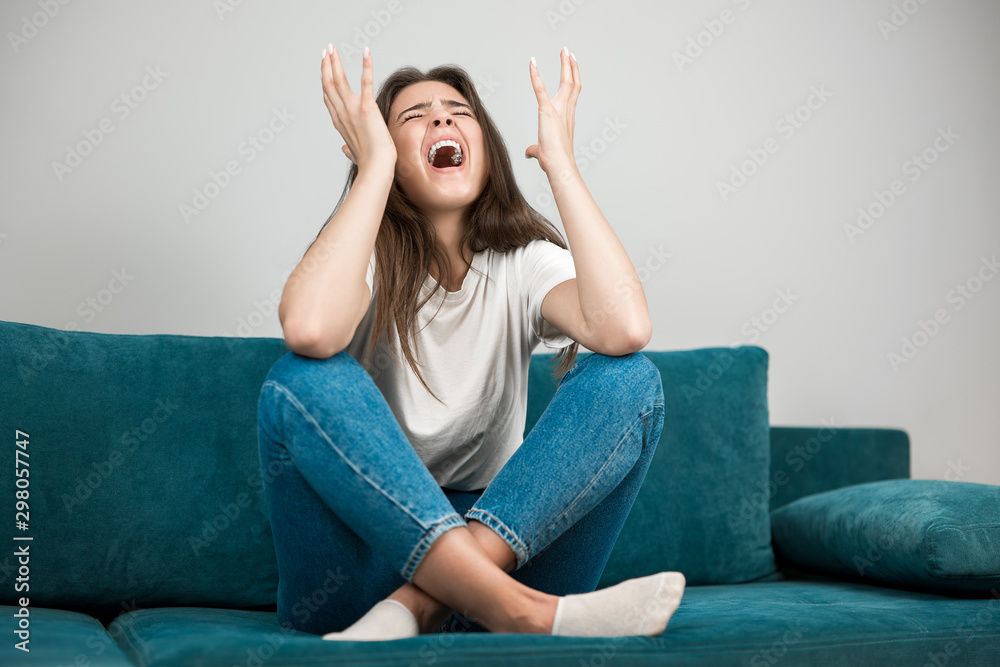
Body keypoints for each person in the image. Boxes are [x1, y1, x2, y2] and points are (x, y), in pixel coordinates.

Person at [255, 43, 685, 641]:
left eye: (458, 111)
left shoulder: (522, 263)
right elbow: (309, 329)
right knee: (299, 380)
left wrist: (560, 162)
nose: (441, 120)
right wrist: (372, 171)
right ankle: (521, 614)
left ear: (486, 150)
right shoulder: (367, 257)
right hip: (361, 577)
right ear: (387, 151)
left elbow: (624, 328)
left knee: (631, 378)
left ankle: (420, 607)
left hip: (510, 550)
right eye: (413, 117)